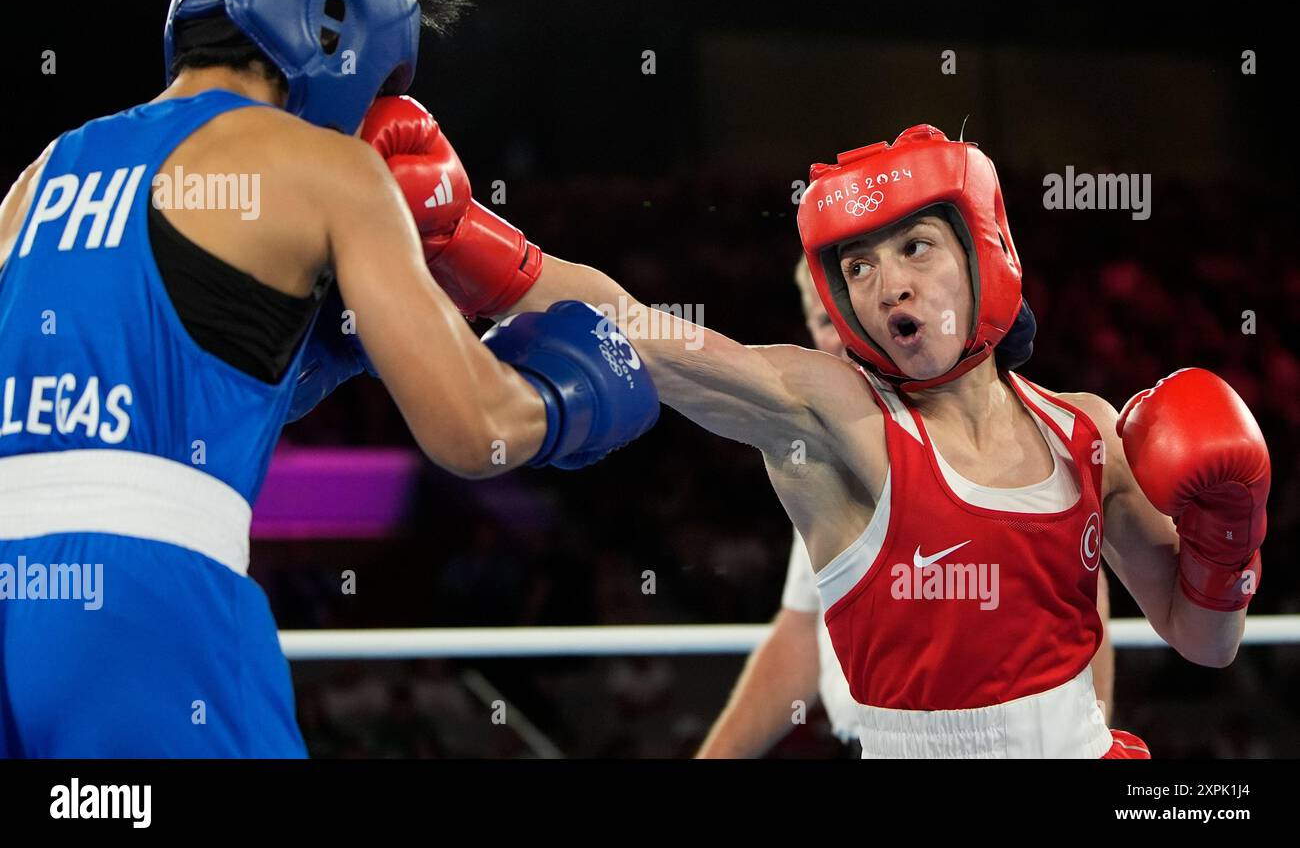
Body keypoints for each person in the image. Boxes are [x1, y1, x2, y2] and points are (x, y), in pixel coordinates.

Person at [371, 107, 1270, 758]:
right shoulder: (839, 417)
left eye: (916, 247)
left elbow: (1206, 641)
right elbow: (633, 323)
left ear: (984, 250)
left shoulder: (1089, 431)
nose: (889, 284)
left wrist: (1226, 537)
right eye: (859, 266)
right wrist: (454, 237)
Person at [0, 0, 657, 758]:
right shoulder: (328, 166)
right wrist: (574, 395)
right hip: (148, 598)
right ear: (331, 34)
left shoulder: (41, 173)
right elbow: (475, 429)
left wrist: (309, 360)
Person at [697, 258, 1119, 757]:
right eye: (827, 320)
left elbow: (1075, 609)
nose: (847, 333)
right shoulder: (825, 467)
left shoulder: (996, 443)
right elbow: (803, 635)